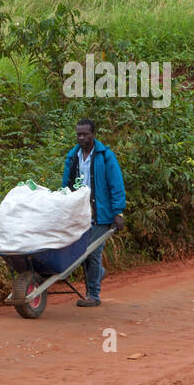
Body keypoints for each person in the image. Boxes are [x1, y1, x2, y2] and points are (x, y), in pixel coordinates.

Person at [62, 119, 126, 307]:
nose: (81, 138)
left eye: (85, 134)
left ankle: (93, 295)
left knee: (91, 253)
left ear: (93, 135)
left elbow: (116, 184)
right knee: (82, 253)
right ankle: (97, 275)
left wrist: (118, 212)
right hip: (80, 213)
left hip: (101, 213)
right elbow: (66, 184)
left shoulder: (105, 157)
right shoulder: (73, 156)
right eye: (78, 134)